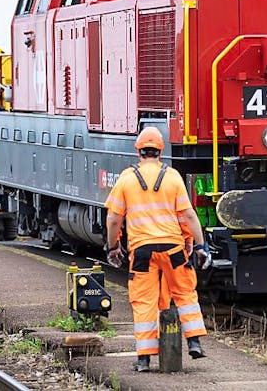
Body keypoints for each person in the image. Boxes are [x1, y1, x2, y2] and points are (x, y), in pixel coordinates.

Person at [104, 126, 211, 372]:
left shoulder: (127, 179)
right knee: (185, 293)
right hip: (173, 248)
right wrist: (199, 244)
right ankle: (194, 342)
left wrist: (113, 247)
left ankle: (143, 359)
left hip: (142, 251)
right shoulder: (172, 177)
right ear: (161, 151)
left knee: (144, 301)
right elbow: (188, 215)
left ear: (138, 152)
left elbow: (113, 219)